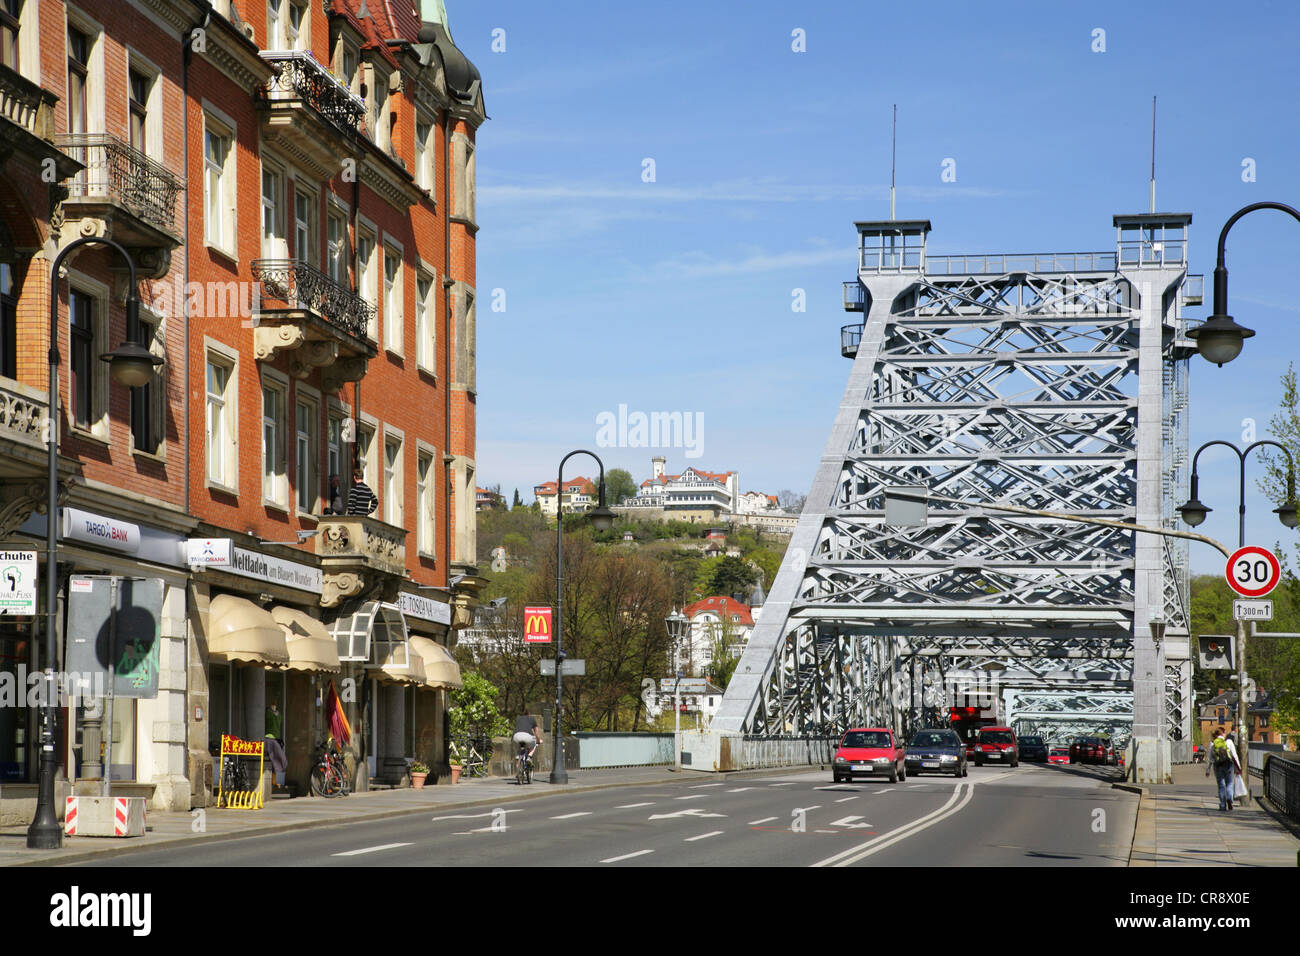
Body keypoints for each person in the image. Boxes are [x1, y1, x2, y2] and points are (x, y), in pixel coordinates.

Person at [1206, 726, 1241, 811]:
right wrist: (1238, 768)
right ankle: (1229, 798)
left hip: (1218, 765)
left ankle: (1222, 805)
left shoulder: (1212, 743)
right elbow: (1234, 755)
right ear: (1223, 733)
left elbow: (1210, 758)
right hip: (1229, 765)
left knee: (1221, 785)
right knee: (1229, 783)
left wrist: (1208, 770)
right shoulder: (1228, 742)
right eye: (1225, 733)